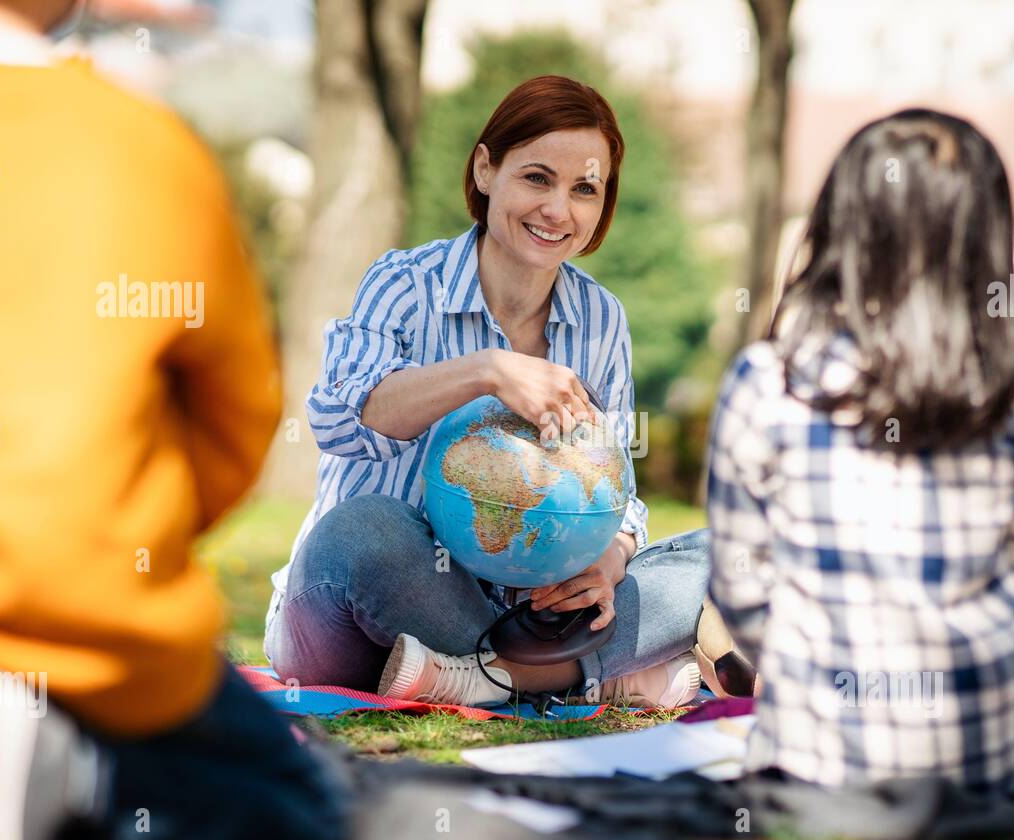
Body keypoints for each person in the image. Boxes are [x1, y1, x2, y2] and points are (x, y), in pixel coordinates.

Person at [0, 0, 348, 840]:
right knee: (301, 812)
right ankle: (48, 771)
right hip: (75, 639)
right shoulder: (139, 147)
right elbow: (234, 421)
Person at [266, 75, 740, 709]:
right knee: (364, 531)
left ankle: (487, 677)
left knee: (725, 550)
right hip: (370, 606)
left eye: (584, 190)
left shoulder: (601, 320)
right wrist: (487, 371)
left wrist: (613, 558)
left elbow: (617, 488)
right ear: (485, 169)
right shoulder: (404, 284)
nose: (557, 210)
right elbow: (336, 417)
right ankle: (593, 672)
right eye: (537, 178)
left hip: (527, 617)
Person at [706, 109, 1014, 794]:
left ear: (841, 226)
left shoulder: (767, 380)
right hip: (985, 756)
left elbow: (739, 588)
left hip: (812, 759)